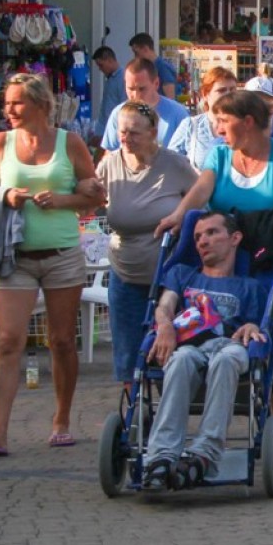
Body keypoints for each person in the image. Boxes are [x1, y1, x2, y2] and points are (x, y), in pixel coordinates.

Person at [0, 73, 103, 457]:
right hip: (15, 255)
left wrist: (60, 200)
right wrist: (5, 194)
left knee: (60, 341)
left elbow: (93, 196)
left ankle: (61, 420)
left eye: (16, 103)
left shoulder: (69, 142)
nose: (8, 110)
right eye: (6, 103)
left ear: (42, 105)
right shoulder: (0, 143)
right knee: (9, 340)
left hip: (61, 254)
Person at [161, 88, 273, 416]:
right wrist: (179, 215)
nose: (217, 129)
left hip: (270, 252)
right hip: (224, 247)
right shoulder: (219, 155)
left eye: (224, 121)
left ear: (248, 122)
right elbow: (202, 189)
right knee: (214, 317)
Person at [141, 211, 273, 489]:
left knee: (226, 359)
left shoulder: (249, 286)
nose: (203, 241)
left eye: (212, 233)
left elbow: (258, 323)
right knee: (180, 360)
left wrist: (252, 326)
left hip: (232, 346)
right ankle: (161, 456)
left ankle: (205, 453)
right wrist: (164, 325)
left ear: (235, 238)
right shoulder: (182, 274)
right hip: (190, 346)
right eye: (198, 237)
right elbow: (165, 305)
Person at [96, 101, 195, 385]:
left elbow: (202, 200)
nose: (126, 139)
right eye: (122, 132)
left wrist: (182, 220)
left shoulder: (175, 164)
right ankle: (134, 413)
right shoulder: (110, 164)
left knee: (169, 349)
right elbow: (91, 197)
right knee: (128, 353)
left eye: (134, 133)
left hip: (168, 275)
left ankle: (169, 406)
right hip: (125, 271)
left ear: (153, 133)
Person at [99, 57, 191, 157]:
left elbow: (189, 157)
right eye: (130, 89)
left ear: (156, 84)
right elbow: (109, 156)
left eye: (142, 89)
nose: (136, 95)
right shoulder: (118, 114)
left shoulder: (178, 114)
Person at [183, 65, 240, 169]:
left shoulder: (246, 125)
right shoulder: (191, 125)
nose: (228, 95)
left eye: (232, 90)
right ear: (205, 94)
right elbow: (169, 163)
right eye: (222, 90)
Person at [90, 46, 126, 145]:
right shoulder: (110, 79)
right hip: (105, 130)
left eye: (101, 65)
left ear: (110, 60)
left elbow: (124, 107)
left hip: (115, 132)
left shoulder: (123, 79)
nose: (100, 69)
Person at [130, 32, 179, 99]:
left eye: (136, 53)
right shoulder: (151, 66)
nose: (135, 57)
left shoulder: (162, 67)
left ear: (145, 49)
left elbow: (170, 97)